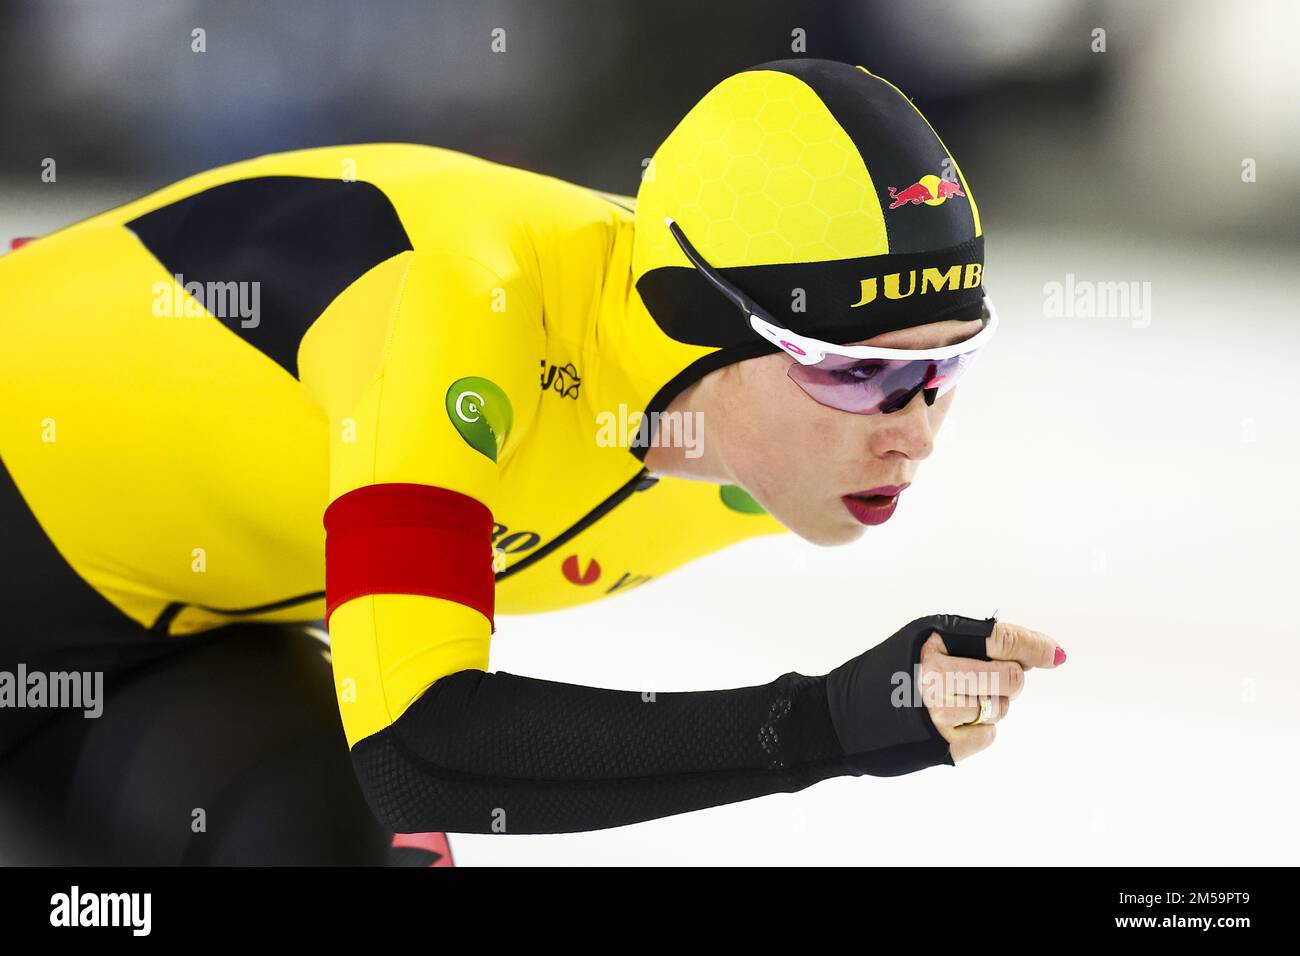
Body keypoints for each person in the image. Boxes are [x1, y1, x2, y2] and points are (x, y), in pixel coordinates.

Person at [0, 59, 1064, 864]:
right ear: (703, 325)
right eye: (854, 371)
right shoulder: (459, 307)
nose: (913, 429)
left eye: (946, 368)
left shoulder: (771, 448)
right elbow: (417, 747)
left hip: (164, 629)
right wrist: (824, 722)